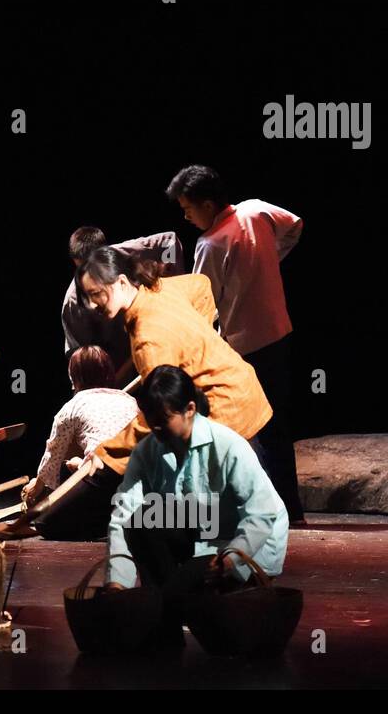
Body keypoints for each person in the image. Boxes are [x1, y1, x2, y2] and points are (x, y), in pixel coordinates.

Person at [104, 366, 288, 645]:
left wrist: (230, 558)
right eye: (149, 418)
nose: (154, 427)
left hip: (244, 543)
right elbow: (124, 514)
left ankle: (165, 618)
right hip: (197, 531)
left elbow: (262, 512)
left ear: (189, 409)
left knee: (180, 586)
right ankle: (169, 621)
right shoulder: (149, 450)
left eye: (162, 418)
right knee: (141, 520)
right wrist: (118, 582)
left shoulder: (228, 445)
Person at [166, 164, 306, 523]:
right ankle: (288, 508)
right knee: (275, 427)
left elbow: (201, 301)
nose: (186, 216)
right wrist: (268, 261)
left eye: (188, 208)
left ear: (208, 205)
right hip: (278, 331)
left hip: (245, 346)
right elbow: (294, 225)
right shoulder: (255, 210)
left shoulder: (211, 244)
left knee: (242, 427)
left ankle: (248, 508)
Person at [77, 246, 274, 480]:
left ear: (121, 282)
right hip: (242, 388)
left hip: (224, 409)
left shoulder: (148, 339)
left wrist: (106, 453)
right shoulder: (158, 288)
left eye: (97, 293)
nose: (92, 304)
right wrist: (195, 345)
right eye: (88, 297)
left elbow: (160, 412)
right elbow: (201, 285)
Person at [19, 346, 138, 541]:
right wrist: (80, 465)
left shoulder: (74, 405)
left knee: (44, 524)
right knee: (81, 466)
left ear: (74, 377)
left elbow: (53, 456)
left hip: (107, 474)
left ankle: (107, 525)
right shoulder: (130, 400)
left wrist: (36, 488)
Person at [60, 226, 185, 385]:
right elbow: (82, 357)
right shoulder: (73, 302)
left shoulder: (127, 254)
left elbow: (170, 241)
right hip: (121, 372)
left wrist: (166, 289)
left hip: (161, 344)